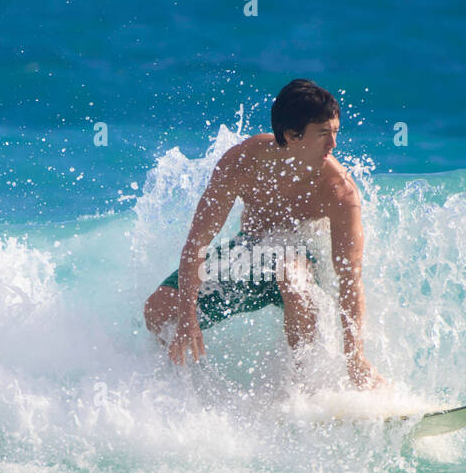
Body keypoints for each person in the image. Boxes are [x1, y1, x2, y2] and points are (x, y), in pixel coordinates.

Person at [143, 79, 383, 388]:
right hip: (250, 255)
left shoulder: (338, 191)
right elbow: (198, 241)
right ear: (292, 136)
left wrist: (355, 357)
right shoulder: (243, 162)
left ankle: (303, 391)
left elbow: (350, 279)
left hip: (304, 264)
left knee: (290, 273)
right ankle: (180, 384)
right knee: (158, 309)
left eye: (335, 132)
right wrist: (188, 314)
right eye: (323, 134)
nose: (333, 144)